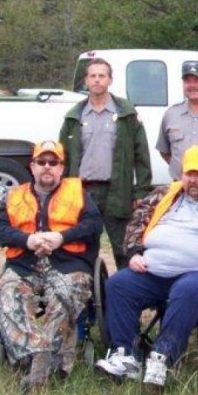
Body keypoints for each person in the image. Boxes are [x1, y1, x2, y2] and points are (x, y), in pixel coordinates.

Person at [93, 145, 198, 389]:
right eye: (188, 174)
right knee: (118, 284)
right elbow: (136, 222)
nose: (192, 180)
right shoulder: (164, 195)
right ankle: (125, 355)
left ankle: (162, 357)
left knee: (186, 290)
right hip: (152, 271)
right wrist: (134, 252)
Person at [0, 139, 104, 392]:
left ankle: (41, 368)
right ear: (32, 166)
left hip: (68, 264)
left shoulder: (78, 193)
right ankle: (38, 356)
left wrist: (61, 237)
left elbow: (94, 225)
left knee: (65, 293)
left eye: (53, 162)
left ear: (62, 168)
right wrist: (27, 240)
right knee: (6, 292)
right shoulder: (15, 196)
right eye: (41, 161)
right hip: (24, 264)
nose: (47, 166)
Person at [60, 57, 153, 266]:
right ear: (86, 81)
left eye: (101, 76)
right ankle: (87, 284)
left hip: (117, 191)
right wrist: (62, 190)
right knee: (82, 248)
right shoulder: (74, 117)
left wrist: (141, 191)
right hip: (82, 191)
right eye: (92, 76)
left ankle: (126, 285)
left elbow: (141, 156)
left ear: (110, 80)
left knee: (124, 248)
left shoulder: (127, 114)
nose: (97, 80)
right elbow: (63, 158)